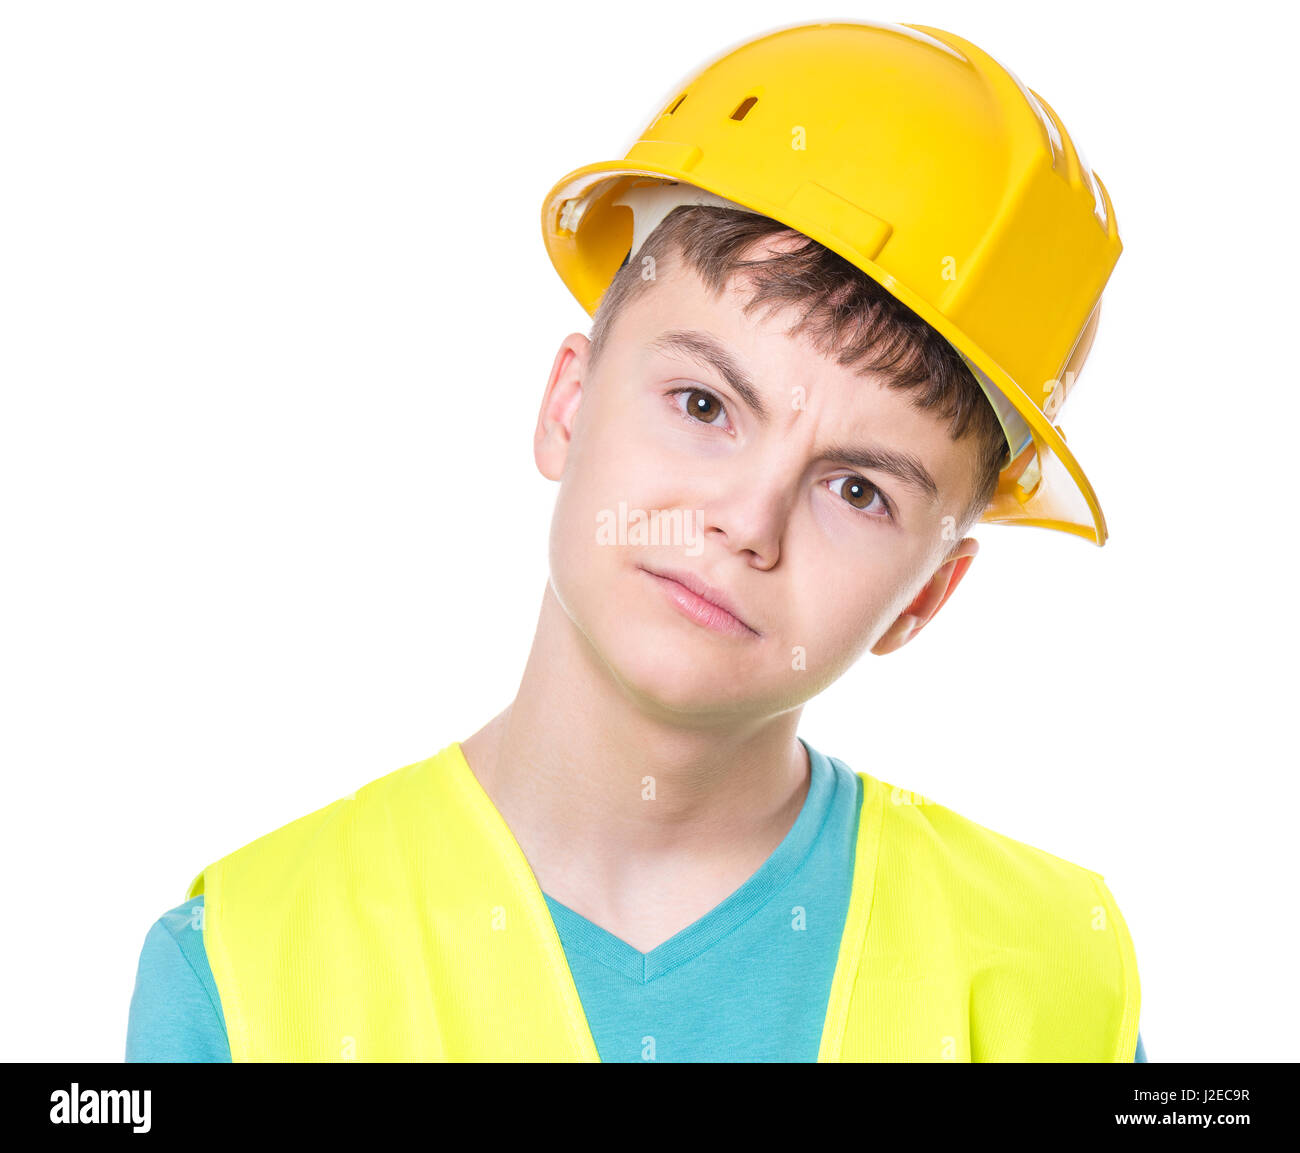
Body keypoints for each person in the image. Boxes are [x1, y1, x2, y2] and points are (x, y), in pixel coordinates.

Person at [128, 19, 1145, 1062]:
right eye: (703, 404)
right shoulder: (246, 972)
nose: (746, 524)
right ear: (568, 404)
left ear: (928, 596)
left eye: (856, 487)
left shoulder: (1051, 977)